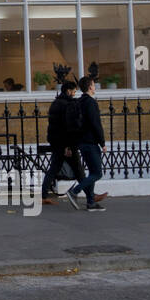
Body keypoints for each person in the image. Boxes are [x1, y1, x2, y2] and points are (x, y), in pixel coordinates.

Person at [67, 75, 108, 212]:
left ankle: (90, 202)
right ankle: (74, 191)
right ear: (90, 86)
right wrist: (102, 142)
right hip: (90, 142)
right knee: (97, 173)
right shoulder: (90, 102)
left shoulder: (79, 102)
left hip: (82, 142)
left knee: (91, 173)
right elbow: (96, 124)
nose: (95, 86)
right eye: (94, 84)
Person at [41, 79, 86, 205]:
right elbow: (68, 127)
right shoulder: (68, 104)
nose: (75, 94)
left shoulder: (56, 103)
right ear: (68, 91)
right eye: (74, 91)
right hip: (66, 143)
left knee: (54, 168)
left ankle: (43, 195)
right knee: (78, 169)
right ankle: (90, 195)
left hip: (56, 142)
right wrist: (68, 146)